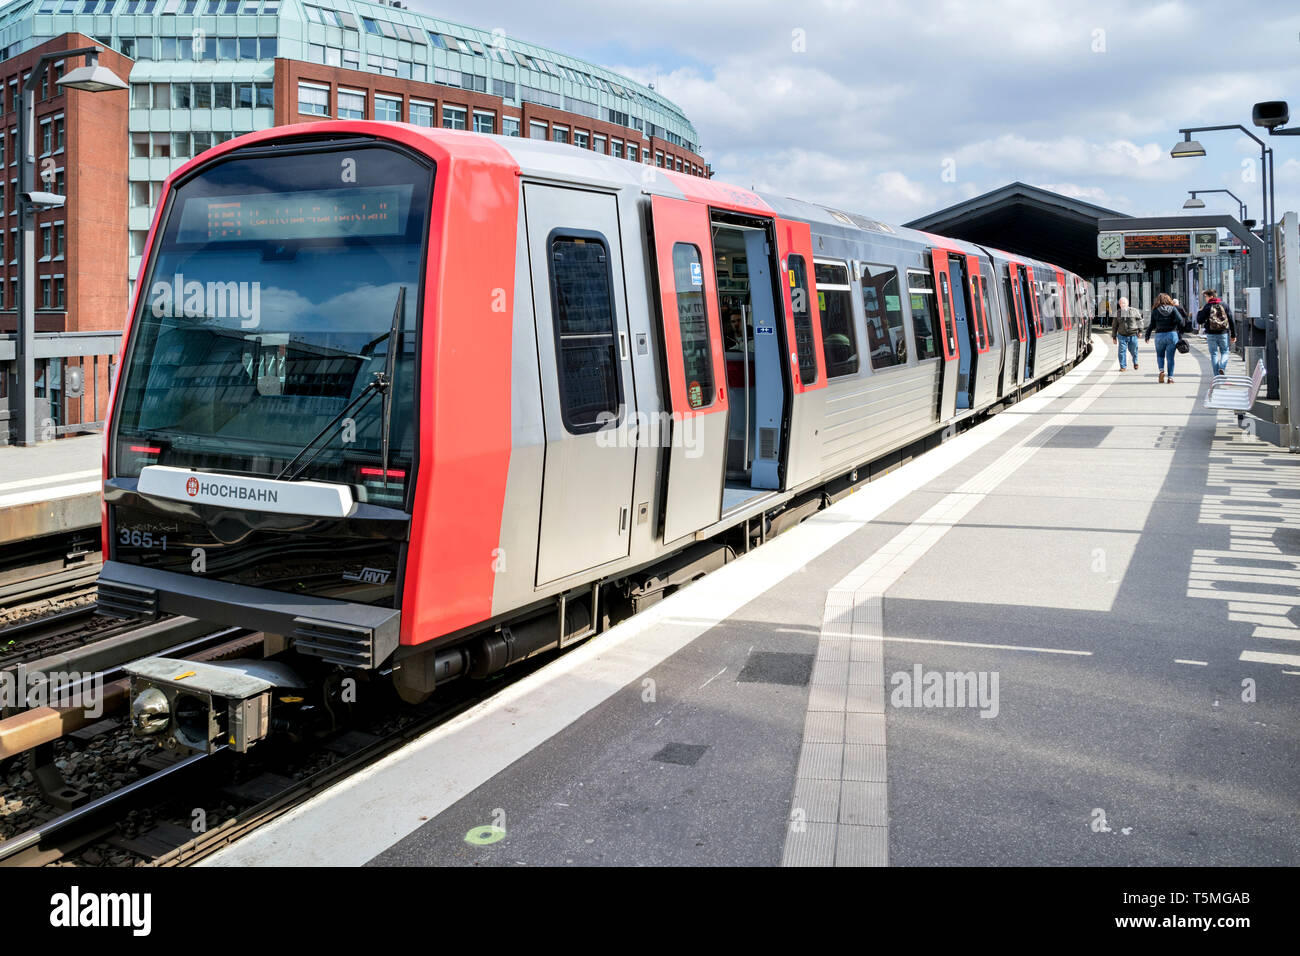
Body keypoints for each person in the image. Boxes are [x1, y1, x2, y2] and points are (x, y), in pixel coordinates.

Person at [1145, 292, 1185, 383]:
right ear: (1168, 300)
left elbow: (1152, 324)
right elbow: (1181, 321)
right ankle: (1170, 378)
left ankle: (1161, 371)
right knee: (1170, 358)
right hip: (1172, 334)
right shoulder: (1173, 309)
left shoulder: (1155, 310)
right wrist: (1178, 330)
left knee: (1160, 355)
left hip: (1159, 335)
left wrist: (1147, 335)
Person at [1197, 289, 1235, 376]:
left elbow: (1199, 321)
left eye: (1206, 296)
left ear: (1211, 296)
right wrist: (1233, 334)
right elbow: (1231, 320)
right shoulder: (1224, 305)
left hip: (1211, 334)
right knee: (1225, 351)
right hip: (1223, 333)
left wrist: (1200, 311)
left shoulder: (1207, 307)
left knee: (1214, 354)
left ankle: (1216, 376)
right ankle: (1222, 367)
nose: (1205, 298)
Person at [1111, 296, 1143, 370]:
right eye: (1121, 303)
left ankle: (1135, 362)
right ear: (1119, 304)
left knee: (1134, 350)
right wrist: (1114, 337)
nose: (1123, 304)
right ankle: (1123, 366)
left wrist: (1140, 331)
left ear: (1127, 303)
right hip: (1122, 335)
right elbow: (1114, 326)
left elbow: (1140, 321)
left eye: (1124, 303)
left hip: (1133, 334)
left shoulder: (1134, 311)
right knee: (1121, 351)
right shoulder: (1117, 313)